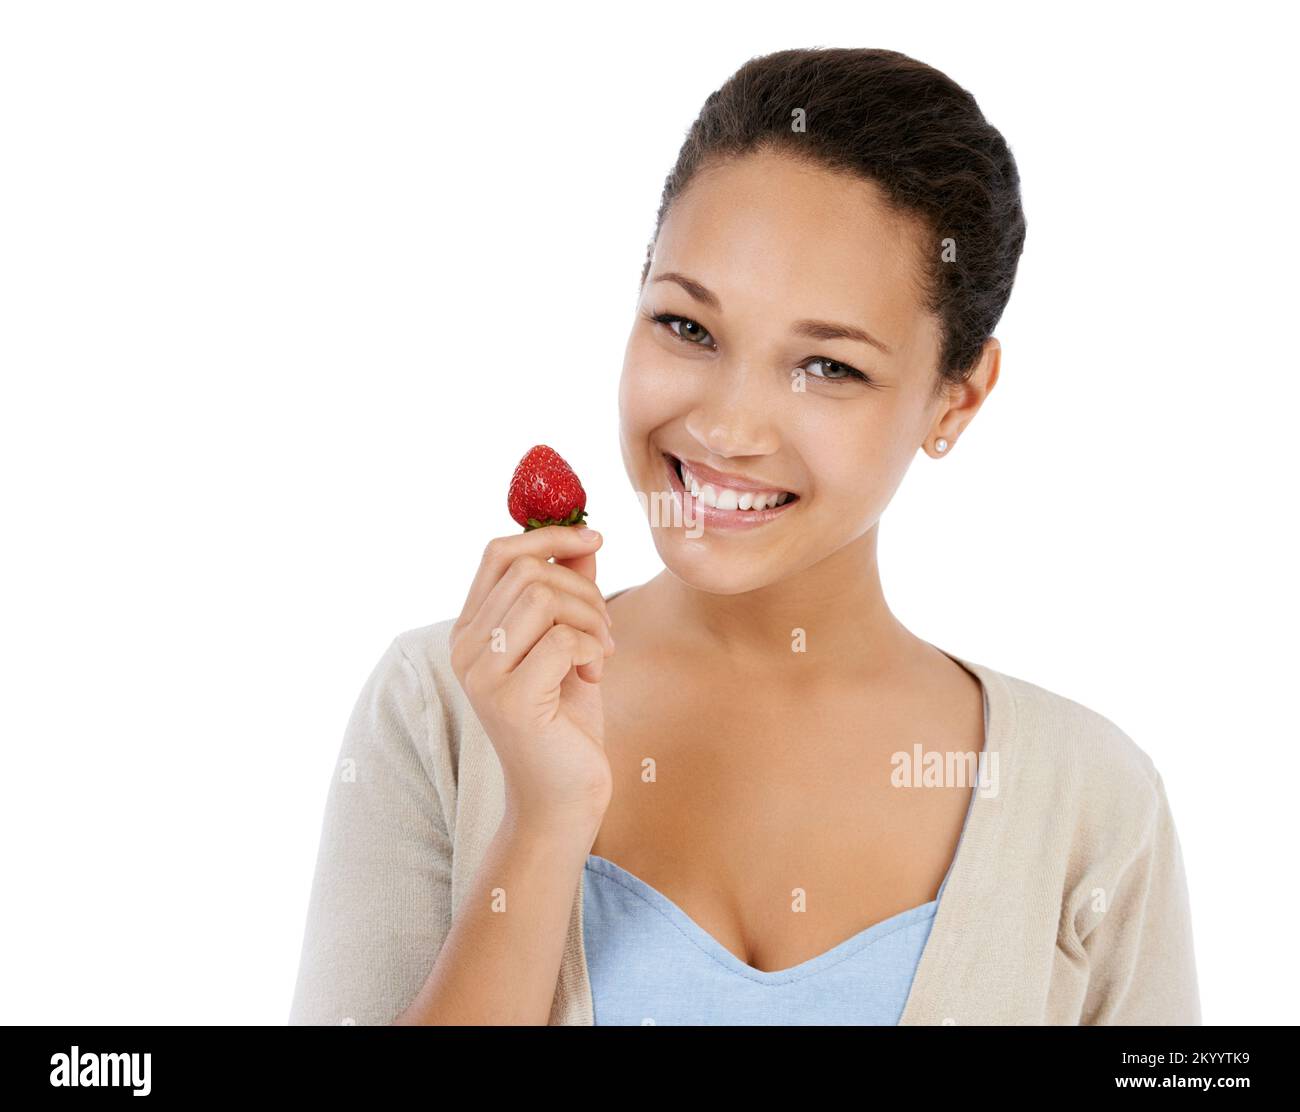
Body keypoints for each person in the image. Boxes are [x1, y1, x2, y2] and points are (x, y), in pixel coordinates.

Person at [289, 46, 1200, 1026]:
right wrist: (543, 824)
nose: (726, 430)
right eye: (687, 327)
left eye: (828, 367)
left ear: (957, 397)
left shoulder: (1090, 803)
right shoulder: (443, 709)